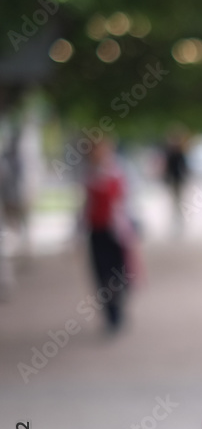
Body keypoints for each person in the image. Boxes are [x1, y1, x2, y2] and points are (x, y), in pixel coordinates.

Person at [80, 138, 137, 333]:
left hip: (116, 231)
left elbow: (128, 201)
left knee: (118, 272)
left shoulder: (118, 171)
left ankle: (118, 307)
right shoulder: (89, 175)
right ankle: (111, 314)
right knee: (101, 274)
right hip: (97, 231)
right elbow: (86, 205)